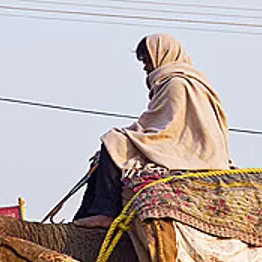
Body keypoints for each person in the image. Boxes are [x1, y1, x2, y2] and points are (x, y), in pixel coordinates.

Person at [73, 33, 231, 228]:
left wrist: (127, 137)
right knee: (112, 148)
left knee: (113, 141)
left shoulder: (176, 84)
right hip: (188, 147)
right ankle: (85, 217)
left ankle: (104, 213)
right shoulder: (186, 82)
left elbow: (167, 130)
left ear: (163, 55)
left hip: (187, 151)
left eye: (148, 60)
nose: (146, 66)